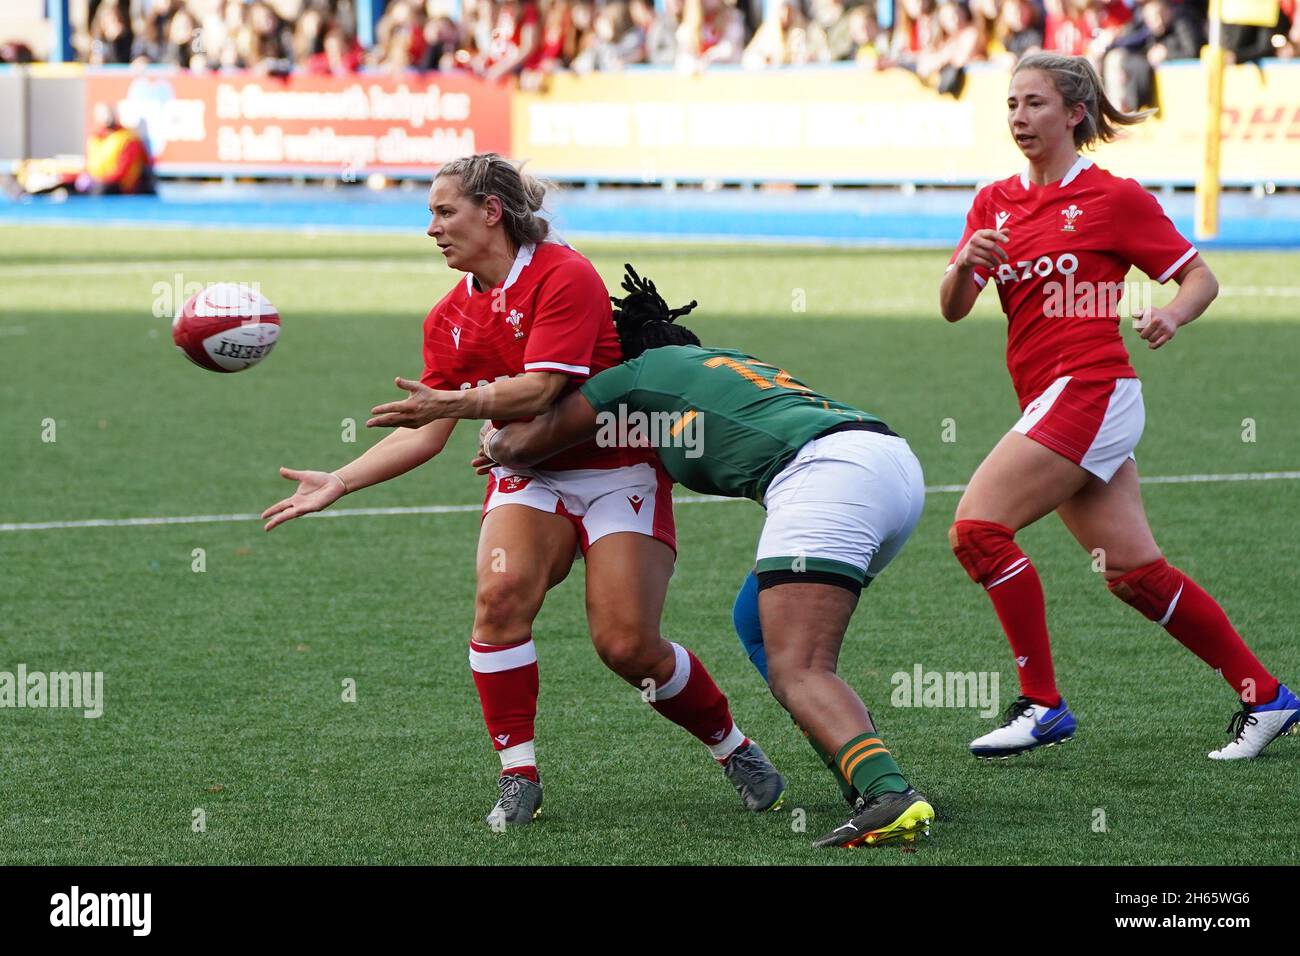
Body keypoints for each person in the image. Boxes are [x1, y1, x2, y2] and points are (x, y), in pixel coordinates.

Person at [260, 154, 783, 828]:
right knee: (499, 597)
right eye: (430, 215)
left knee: (626, 645)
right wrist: (341, 478)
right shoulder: (448, 318)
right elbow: (426, 432)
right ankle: (519, 775)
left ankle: (730, 746)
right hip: (532, 476)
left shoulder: (563, 275)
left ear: (491, 212)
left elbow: (540, 389)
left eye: (444, 212)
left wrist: (457, 402)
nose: (432, 229)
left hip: (617, 470)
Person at [477, 265, 934, 850]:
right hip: (890, 465)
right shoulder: (723, 362)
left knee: (800, 665)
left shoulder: (637, 375)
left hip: (824, 478)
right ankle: (862, 776)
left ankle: (888, 794)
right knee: (755, 623)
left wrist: (490, 437)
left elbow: (525, 440)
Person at [939, 53, 1298, 762]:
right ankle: (1268, 697)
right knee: (1132, 573)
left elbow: (1200, 276)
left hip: (1093, 388)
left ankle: (1042, 704)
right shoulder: (993, 204)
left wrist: (1172, 314)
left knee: (978, 530)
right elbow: (954, 311)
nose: (1019, 117)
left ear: (1074, 113)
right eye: (1012, 103)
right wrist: (961, 265)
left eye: (1035, 103)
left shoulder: (1113, 197)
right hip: (1050, 397)